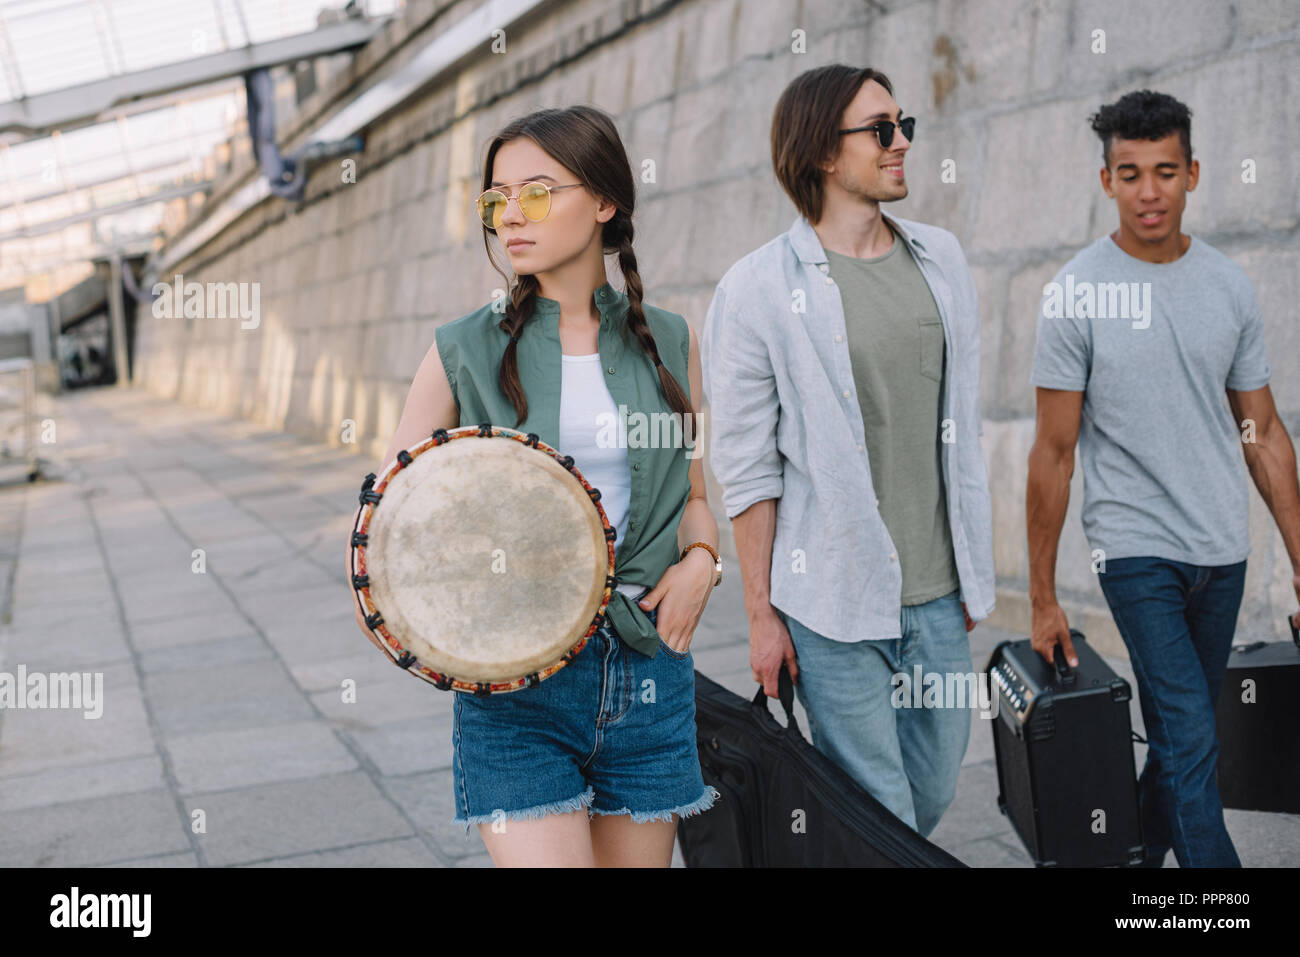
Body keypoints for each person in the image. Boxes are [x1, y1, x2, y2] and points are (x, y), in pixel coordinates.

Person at [348, 105, 720, 866]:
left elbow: (694, 495)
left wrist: (702, 563)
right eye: (496, 200)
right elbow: (390, 522)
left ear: (606, 202)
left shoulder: (672, 339)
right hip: (515, 695)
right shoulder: (461, 348)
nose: (510, 216)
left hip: (648, 673)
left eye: (538, 193)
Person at [701, 65, 995, 837]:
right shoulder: (759, 287)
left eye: (904, 126)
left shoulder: (942, 260)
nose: (901, 143)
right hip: (831, 603)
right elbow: (749, 467)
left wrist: (970, 563)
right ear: (823, 154)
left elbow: (958, 424)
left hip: (937, 594)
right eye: (880, 130)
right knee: (879, 813)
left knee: (929, 793)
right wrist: (762, 616)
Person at [1027, 89, 1300, 868]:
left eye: (1166, 171)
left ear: (1194, 174)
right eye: (1131, 172)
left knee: (1184, 734)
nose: (1150, 191)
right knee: (1190, 729)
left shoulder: (1228, 286)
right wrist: (1044, 598)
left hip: (1221, 547)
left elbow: (1265, 431)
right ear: (1106, 179)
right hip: (1133, 547)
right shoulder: (1077, 292)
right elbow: (1052, 453)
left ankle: (1134, 856)